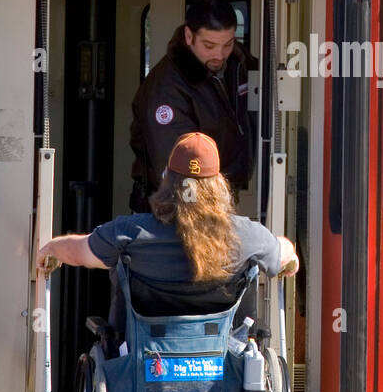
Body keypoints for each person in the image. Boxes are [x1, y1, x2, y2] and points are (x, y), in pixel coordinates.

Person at [37, 132, 297, 336]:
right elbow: (281, 254)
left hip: (146, 365)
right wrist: (289, 253)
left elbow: (80, 252)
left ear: (167, 181)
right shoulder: (249, 235)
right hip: (223, 366)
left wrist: (51, 250)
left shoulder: (130, 233)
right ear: (219, 186)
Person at [129, 0, 256, 212]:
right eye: (209, 45)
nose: (219, 55)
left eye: (227, 44)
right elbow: (176, 168)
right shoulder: (166, 88)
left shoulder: (237, 62)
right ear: (189, 36)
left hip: (220, 197)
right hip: (176, 207)